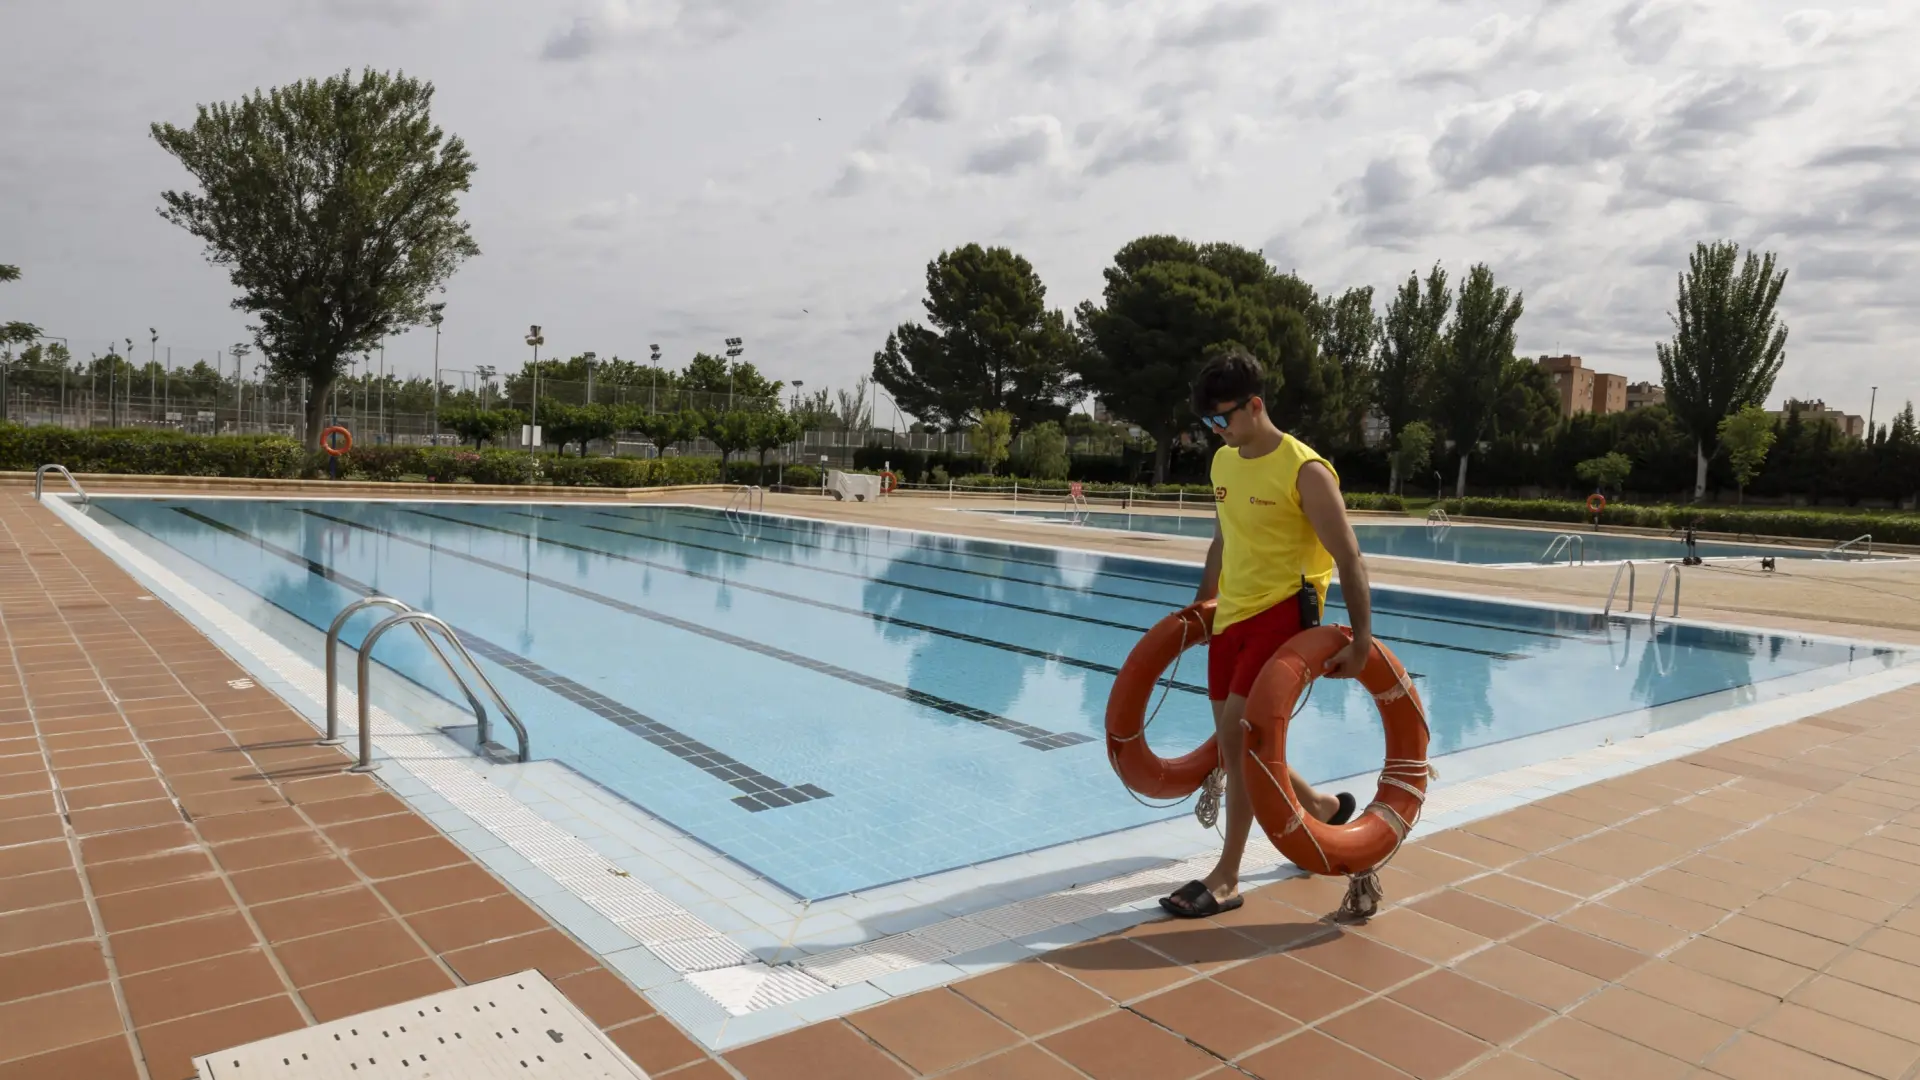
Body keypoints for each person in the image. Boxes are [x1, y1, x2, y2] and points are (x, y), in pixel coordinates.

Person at [1160, 348, 1377, 919]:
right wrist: (1204, 608)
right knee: (1238, 749)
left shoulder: (1306, 470)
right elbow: (1222, 540)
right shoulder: (1223, 463)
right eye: (1207, 422)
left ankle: (1228, 876)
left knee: (1240, 741)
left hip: (1285, 615)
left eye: (1222, 418)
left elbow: (1349, 557)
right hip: (1233, 616)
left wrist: (1360, 641)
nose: (1216, 430)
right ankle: (1323, 808)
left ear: (1255, 405)